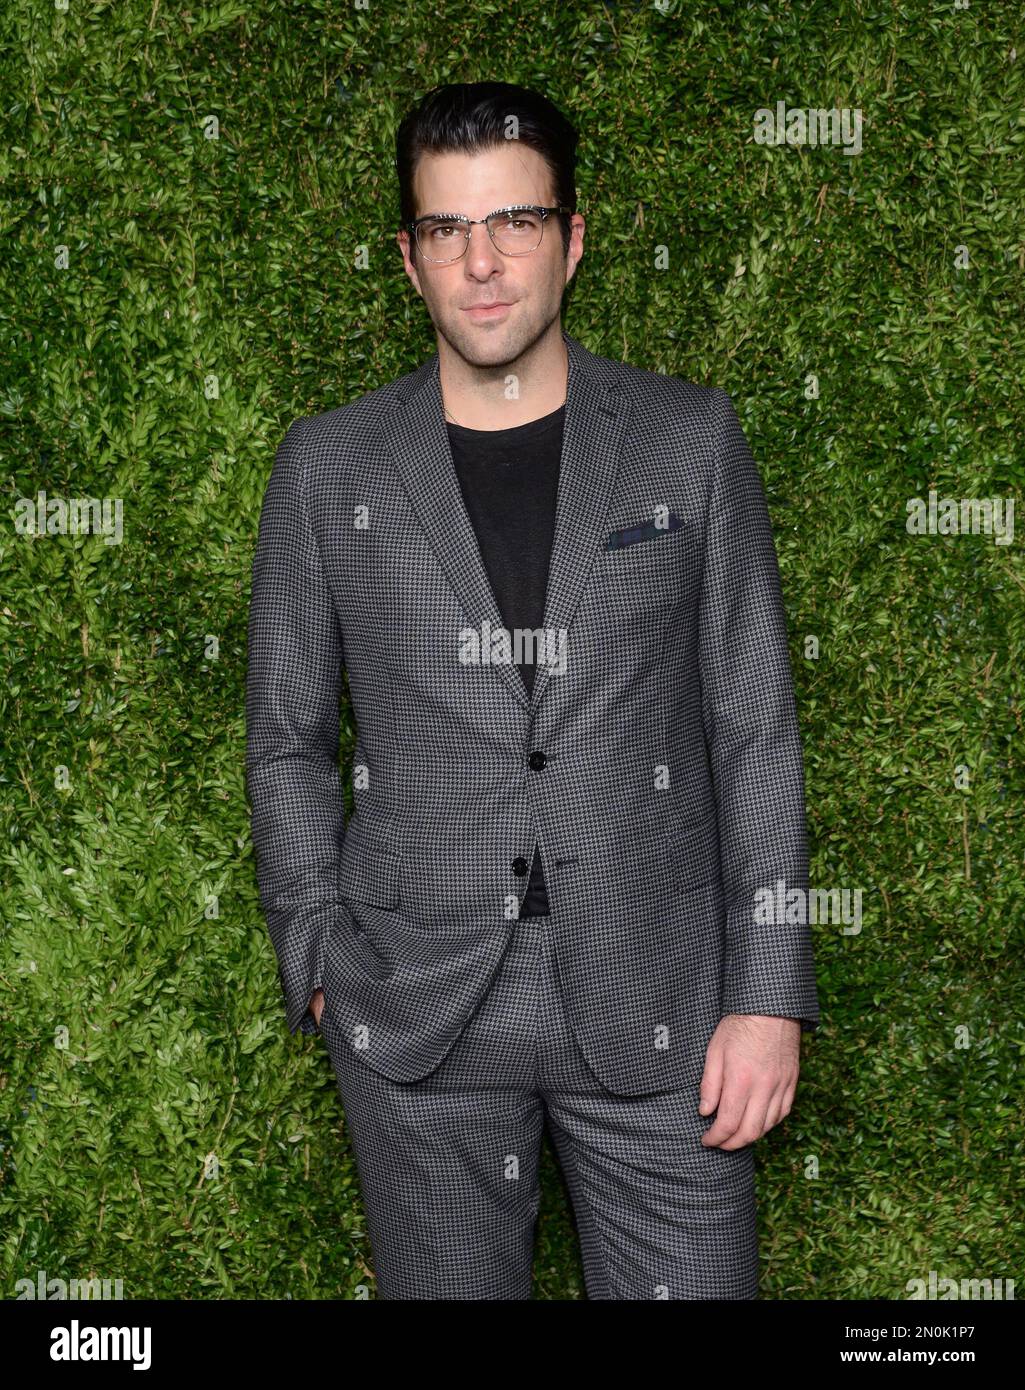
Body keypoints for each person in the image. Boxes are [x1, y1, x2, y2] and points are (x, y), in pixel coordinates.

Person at [244, 80, 820, 1300]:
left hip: (664, 1003)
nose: (483, 262)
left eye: (514, 220)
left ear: (573, 234)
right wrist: (312, 944)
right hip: (414, 1011)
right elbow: (287, 737)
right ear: (407, 259)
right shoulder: (326, 466)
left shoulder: (686, 440)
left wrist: (768, 993)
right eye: (447, 230)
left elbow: (753, 725)